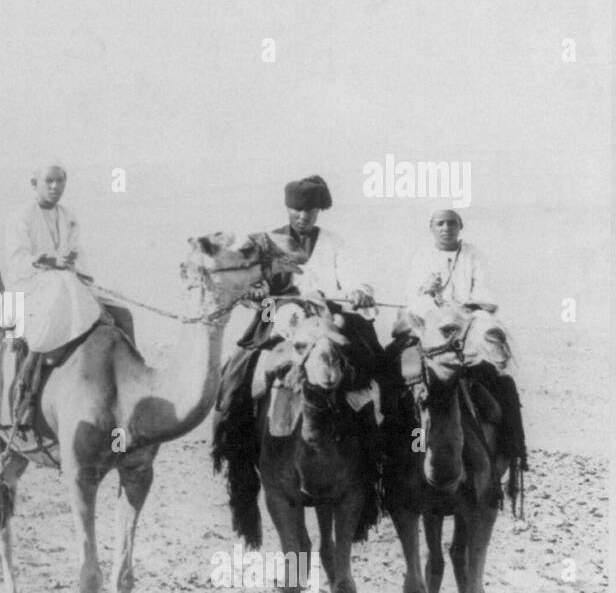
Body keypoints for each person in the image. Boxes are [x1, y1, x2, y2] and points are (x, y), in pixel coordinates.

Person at [213, 175, 384, 532]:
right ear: (287, 207)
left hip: (329, 320)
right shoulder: (268, 242)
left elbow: (353, 279)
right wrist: (256, 292)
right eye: (296, 208)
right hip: (282, 323)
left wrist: (359, 291)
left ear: (319, 210)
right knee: (237, 376)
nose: (303, 216)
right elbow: (250, 284)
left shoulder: (336, 243)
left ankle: (373, 457)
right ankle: (239, 453)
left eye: (310, 209)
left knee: (371, 375)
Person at [2, 162, 105, 427]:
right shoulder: (21, 217)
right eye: (49, 181)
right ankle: (25, 393)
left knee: (115, 315)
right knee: (49, 313)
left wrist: (71, 260)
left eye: (60, 181)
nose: (55, 186)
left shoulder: (69, 216)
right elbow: (16, 260)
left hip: (67, 281)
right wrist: (45, 261)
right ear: (34, 183)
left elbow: (78, 252)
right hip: (32, 286)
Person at [403, 209, 514, 374]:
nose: (446, 228)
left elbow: (484, 288)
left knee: (493, 336)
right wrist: (427, 289)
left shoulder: (473, 254)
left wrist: (469, 307)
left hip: (468, 315)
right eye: (440, 223)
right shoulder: (422, 255)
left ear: (460, 226)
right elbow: (413, 294)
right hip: (432, 313)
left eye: (452, 223)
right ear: (431, 228)